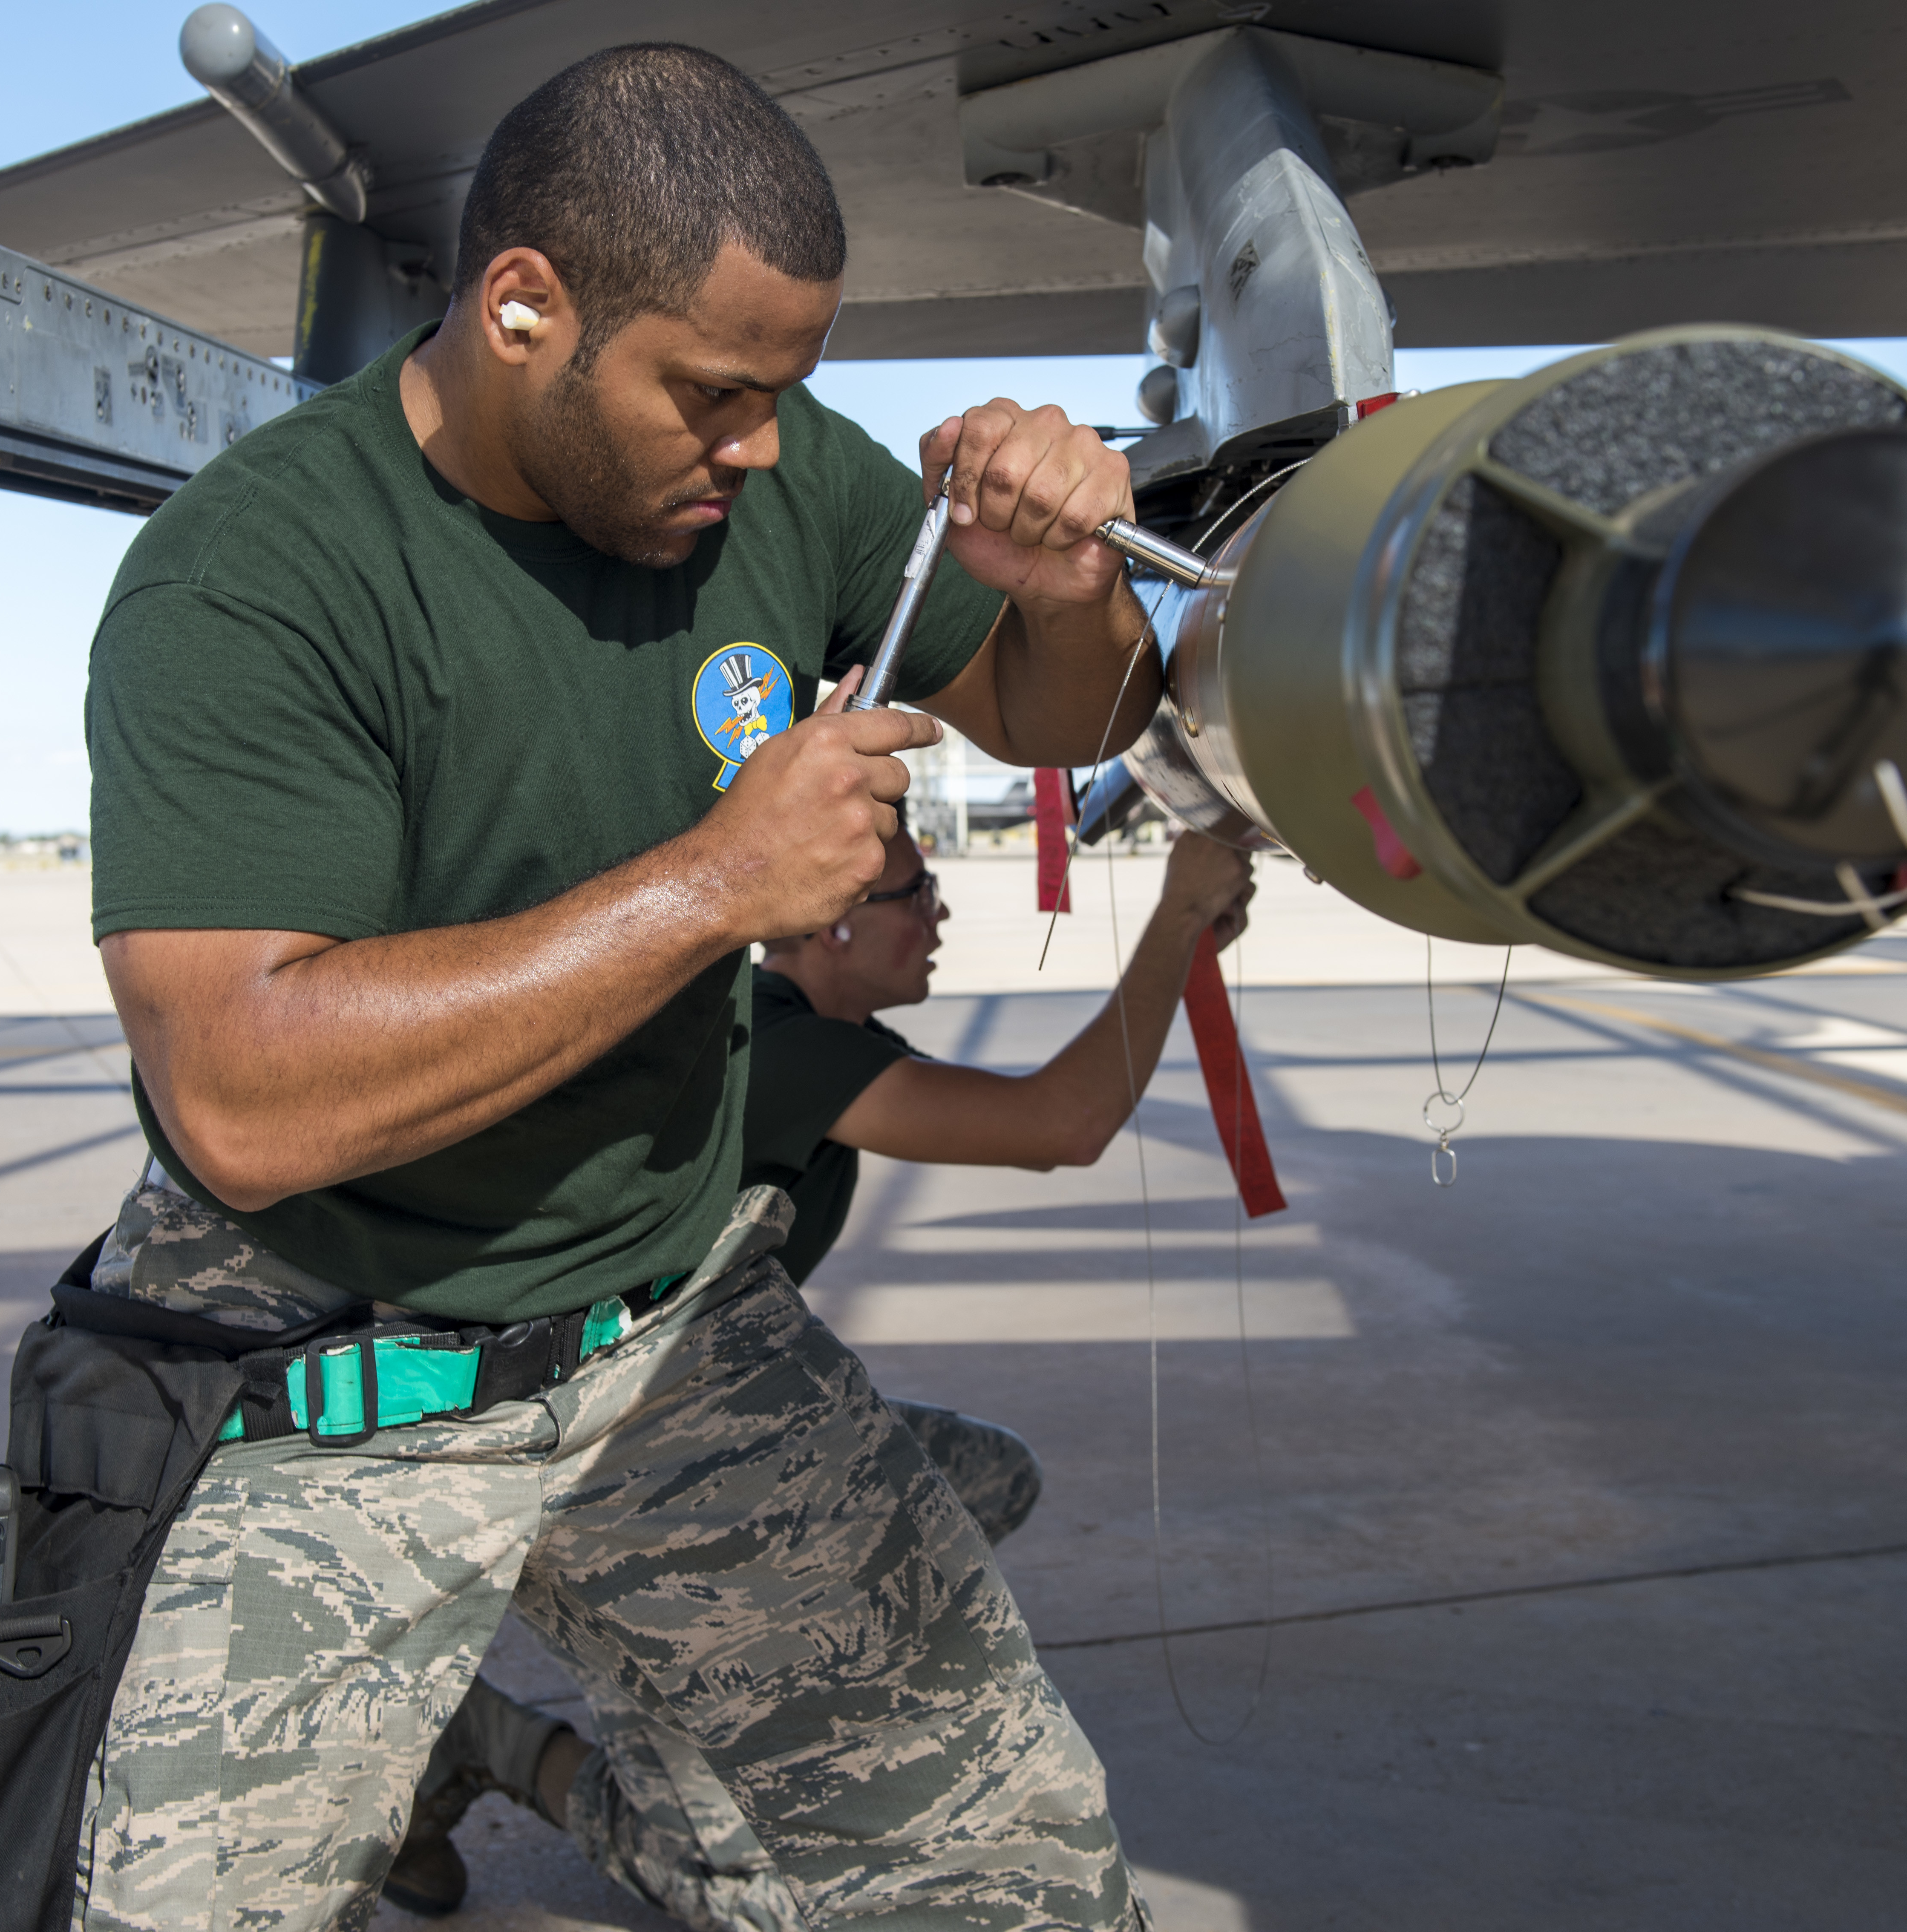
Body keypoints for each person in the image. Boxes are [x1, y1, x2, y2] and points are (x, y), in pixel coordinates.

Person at [72, 43, 1167, 1932]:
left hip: (660, 1317)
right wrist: (715, 883)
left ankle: (502, 1749)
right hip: (334, 1355)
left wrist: (1059, 589)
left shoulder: (769, 481)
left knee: (1015, 1871)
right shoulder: (255, 579)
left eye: (787, 395)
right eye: (714, 394)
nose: (758, 446)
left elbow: (1069, 725)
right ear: (522, 308)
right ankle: (449, 1741)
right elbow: (245, 1102)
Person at [386, 820, 1258, 1919]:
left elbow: (1039, 1112)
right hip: (598, 1473)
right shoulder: (776, 1041)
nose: (940, 913)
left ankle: (770, 1683)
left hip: (686, 1440)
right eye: (916, 892)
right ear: (829, 923)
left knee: (983, 1478)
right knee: (747, 1898)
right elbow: (1061, 1123)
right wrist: (1175, 920)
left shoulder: (824, 1042)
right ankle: (495, 1740)